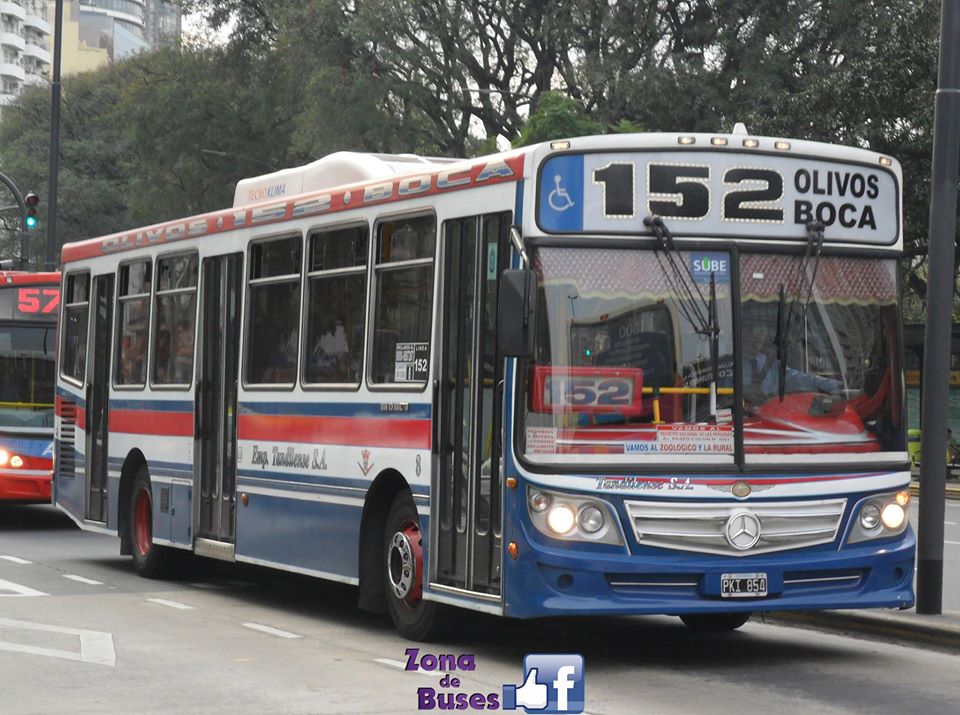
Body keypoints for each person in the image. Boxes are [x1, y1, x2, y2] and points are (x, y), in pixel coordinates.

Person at [741, 320, 842, 402]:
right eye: (752, 331)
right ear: (742, 335)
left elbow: (799, 379)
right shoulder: (730, 363)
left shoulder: (771, 364)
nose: (757, 337)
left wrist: (839, 386)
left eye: (761, 332)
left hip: (770, 417)